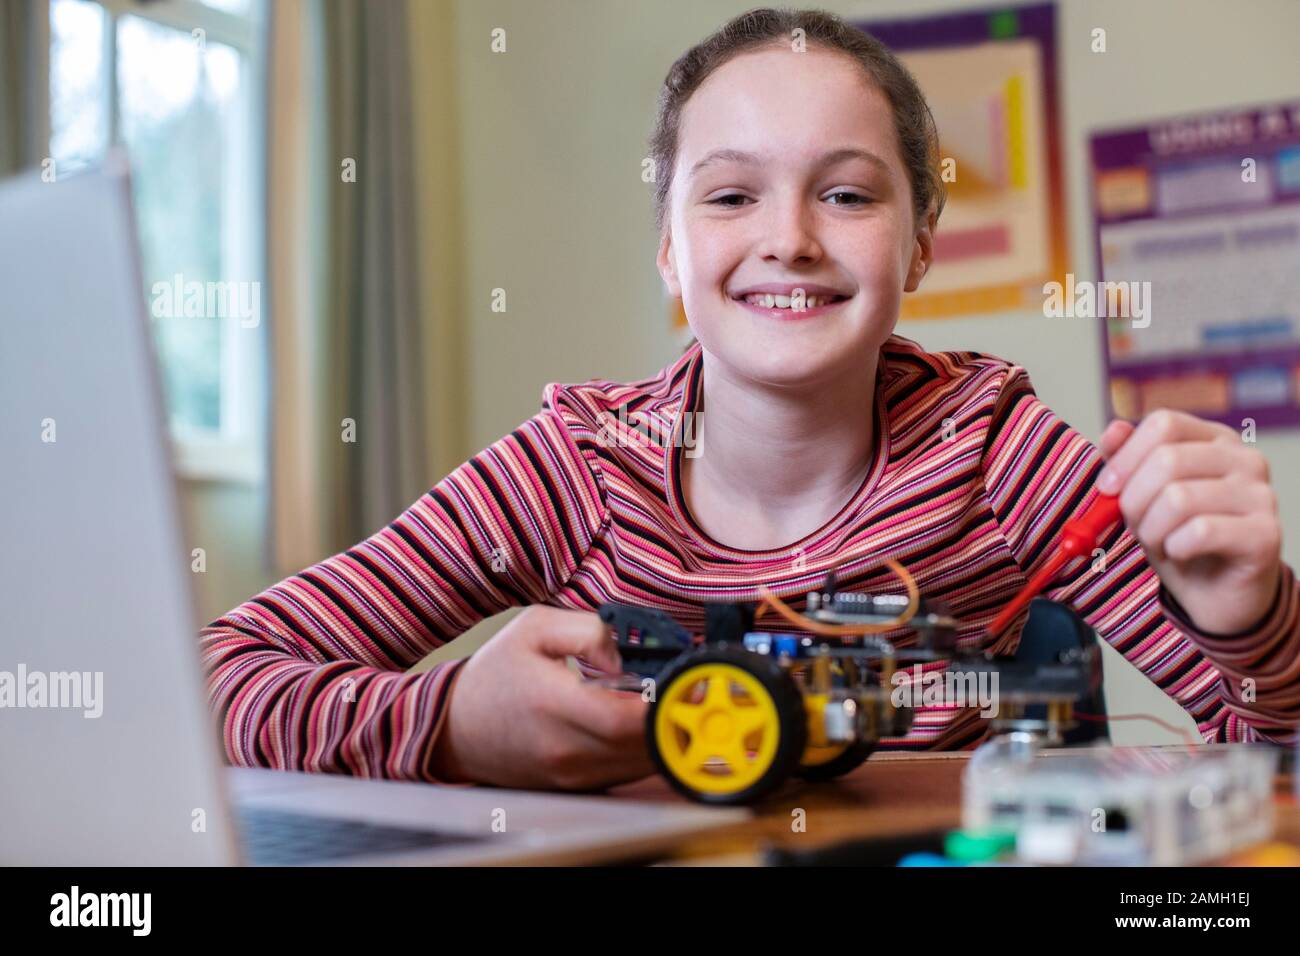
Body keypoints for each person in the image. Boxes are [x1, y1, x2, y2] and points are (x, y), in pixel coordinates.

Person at [200, 7, 1299, 793]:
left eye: (847, 192)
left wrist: (1247, 621)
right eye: (730, 194)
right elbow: (210, 680)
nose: (789, 237)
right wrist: (447, 725)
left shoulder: (995, 453)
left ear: (919, 242)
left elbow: (1267, 753)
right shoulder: (576, 466)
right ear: (670, 251)